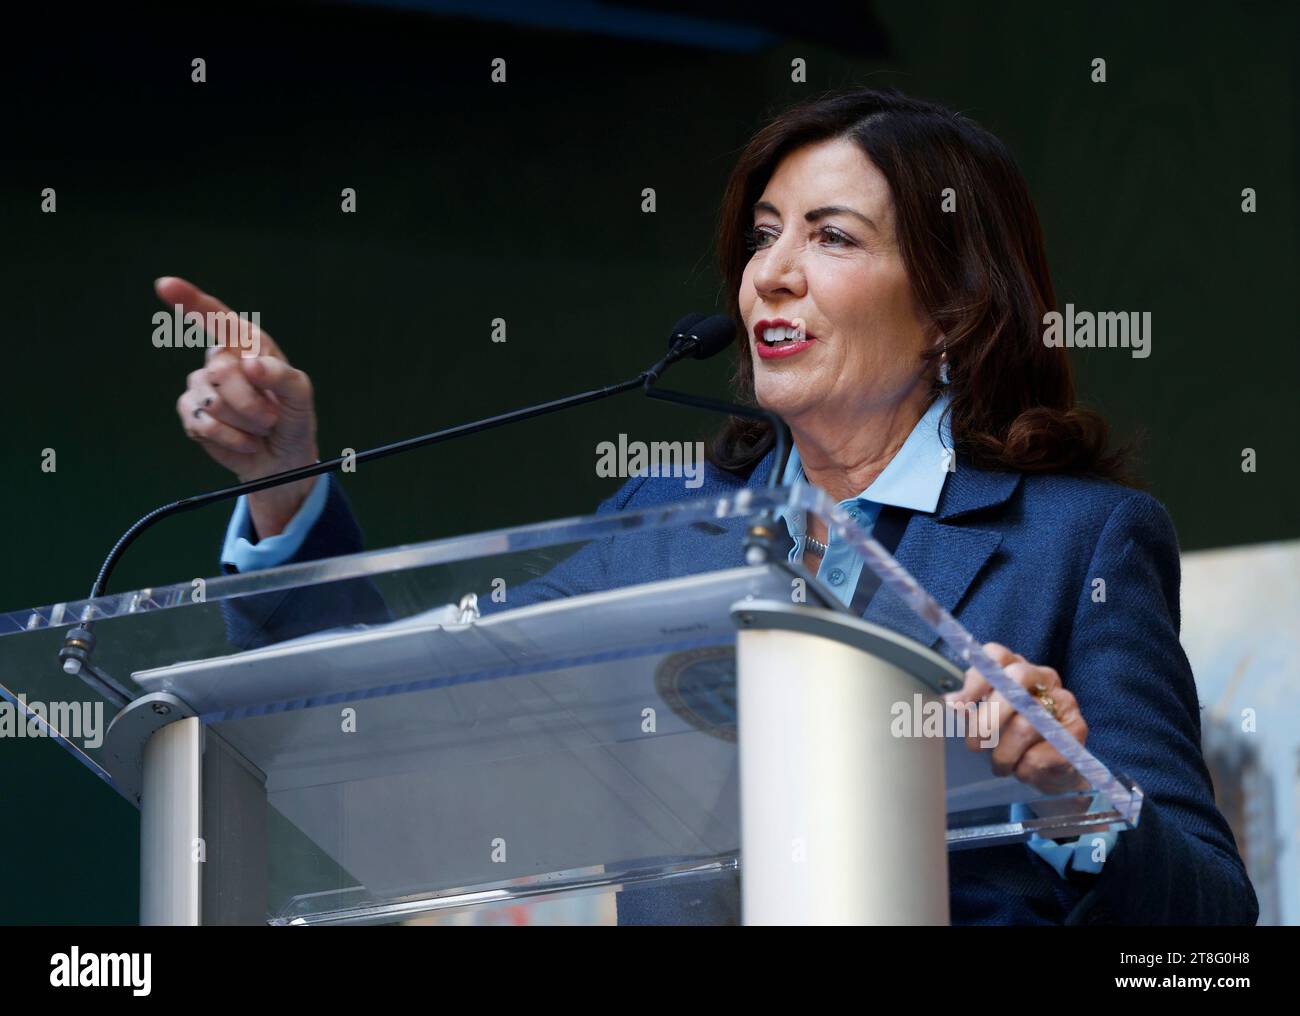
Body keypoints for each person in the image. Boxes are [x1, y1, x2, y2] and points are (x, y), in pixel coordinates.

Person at [162, 87, 1257, 926]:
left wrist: (1074, 796)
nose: (768, 274)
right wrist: (288, 480)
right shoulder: (667, 519)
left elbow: (1207, 923)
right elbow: (395, 706)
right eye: (765, 232)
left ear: (950, 308)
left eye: (831, 237)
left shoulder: (1078, 540)